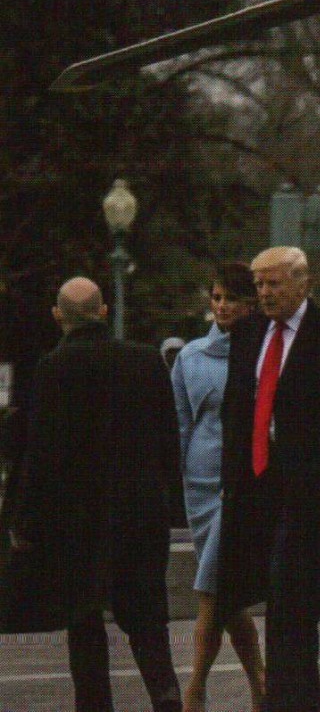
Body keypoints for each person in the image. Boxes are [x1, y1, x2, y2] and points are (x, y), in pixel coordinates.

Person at [8, 277, 183, 712]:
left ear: (57, 316)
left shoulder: (52, 368)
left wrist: (24, 520)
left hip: (77, 520)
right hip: (141, 514)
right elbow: (169, 439)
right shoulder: (147, 361)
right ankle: (166, 698)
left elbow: (40, 453)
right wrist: (168, 500)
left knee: (83, 620)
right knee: (148, 619)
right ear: (104, 311)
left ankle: (94, 703)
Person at [216, 247, 320, 712]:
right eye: (259, 284)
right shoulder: (248, 333)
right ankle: (290, 699)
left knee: (292, 602)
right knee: (272, 598)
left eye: (274, 283)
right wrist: (230, 477)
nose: (264, 293)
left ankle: (289, 702)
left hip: (312, 489)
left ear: (303, 283)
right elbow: (236, 409)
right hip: (257, 487)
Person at [171, 263, 267, 712]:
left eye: (231, 298)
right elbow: (180, 423)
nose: (222, 306)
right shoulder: (190, 357)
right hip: (200, 483)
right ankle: (260, 683)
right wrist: (172, 484)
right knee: (226, 596)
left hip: (242, 483)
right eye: (217, 297)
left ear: (250, 303)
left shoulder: (264, 351)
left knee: (211, 587)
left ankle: (195, 688)